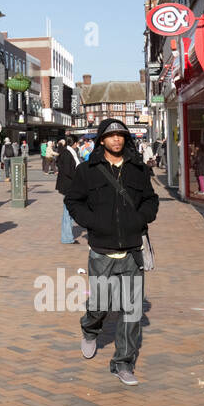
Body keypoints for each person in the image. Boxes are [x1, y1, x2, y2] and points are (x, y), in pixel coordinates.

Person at [65, 118, 159, 386]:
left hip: (132, 250)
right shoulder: (88, 170)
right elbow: (73, 199)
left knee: (131, 310)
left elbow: (151, 199)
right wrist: (92, 222)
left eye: (121, 135)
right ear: (102, 141)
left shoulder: (138, 169)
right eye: (111, 136)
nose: (116, 139)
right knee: (101, 303)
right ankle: (90, 327)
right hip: (102, 249)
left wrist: (141, 218)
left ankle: (123, 363)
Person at [55, 135, 80, 244]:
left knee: (69, 210)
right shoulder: (67, 153)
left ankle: (67, 236)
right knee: (68, 211)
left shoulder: (67, 152)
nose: (77, 145)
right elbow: (68, 170)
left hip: (69, 185)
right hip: (69, 186)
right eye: (77, 143)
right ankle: (66, 237)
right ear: (74, 143)